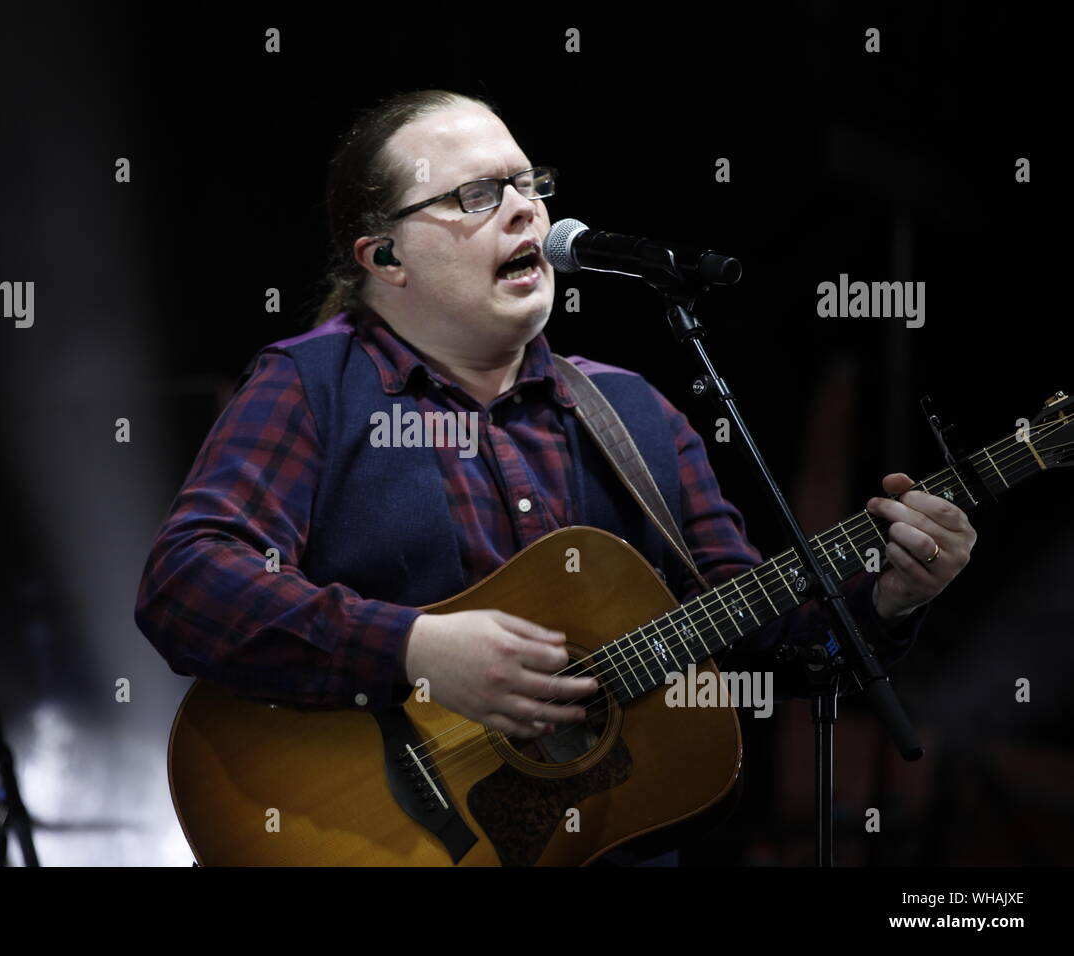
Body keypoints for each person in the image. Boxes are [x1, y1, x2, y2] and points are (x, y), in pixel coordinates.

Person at [133, 89, 976, 865]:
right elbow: (187, 584)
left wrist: (891, 598)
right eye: (475, 195)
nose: (525, 208)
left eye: (527, 183)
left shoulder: (633, 411)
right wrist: (415, 650)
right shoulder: (310, 386)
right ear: (385, 256)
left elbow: (762, 642)